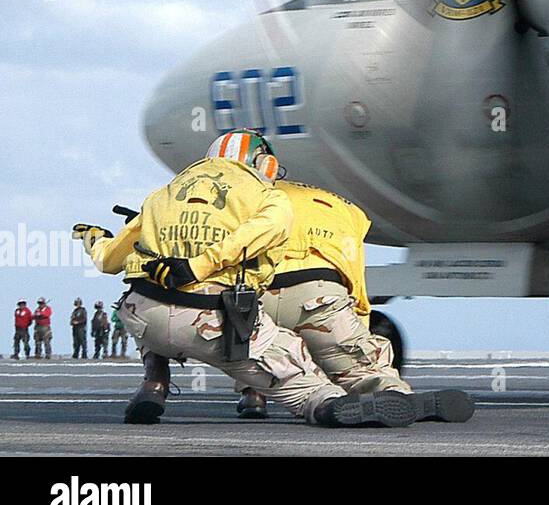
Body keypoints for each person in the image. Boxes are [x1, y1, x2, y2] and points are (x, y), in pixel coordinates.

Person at [73, 128, 431, 427]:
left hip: (143, 317)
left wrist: (95, 238)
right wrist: (200, 266)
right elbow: (268, 232)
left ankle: (155, 380)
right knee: (286, 360)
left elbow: (108, 260)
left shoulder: (162, 196)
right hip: (210, 318)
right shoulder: (269, 196)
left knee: (152, 300)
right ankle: (330, 401)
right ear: (266, 165)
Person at [231, 179, 472, 423]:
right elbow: (354, 274)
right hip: (320, 294)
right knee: (361, 369)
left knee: (258, 349)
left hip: (262, 294)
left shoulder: (245, 197)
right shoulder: (346, 210)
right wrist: (358, 325)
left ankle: (263, 397)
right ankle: (393, 391)